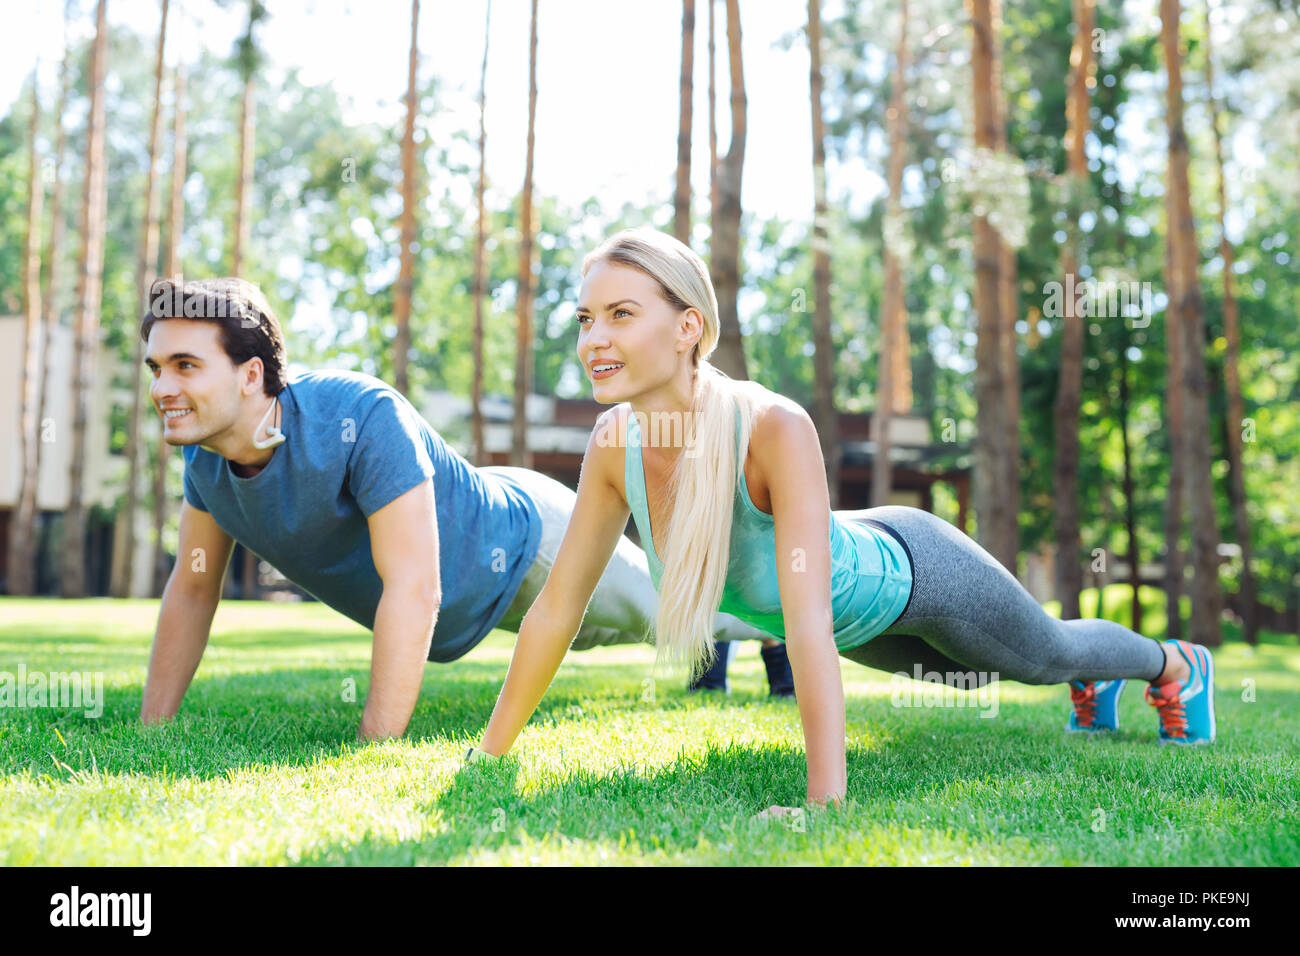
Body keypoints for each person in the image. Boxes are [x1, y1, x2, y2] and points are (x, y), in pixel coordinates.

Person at [469, 228, 1217, 815]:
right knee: (969, 680)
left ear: (687, 326)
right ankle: (1096, 675)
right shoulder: (613, 446)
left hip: (918, 574)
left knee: (1040, 658)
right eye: (586, 318)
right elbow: (556, 612)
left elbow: (807, 627)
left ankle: (1174, 664)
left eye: (621, 315)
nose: (594, 340)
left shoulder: (771, 426)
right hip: (865, 627)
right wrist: (489, 758)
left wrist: (822, 804)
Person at [137, 277, 769, 742]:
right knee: (639, 631)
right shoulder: (205, 461)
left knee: (675, 611)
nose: (163, 388)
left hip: (531, 545)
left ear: (251, 375)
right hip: (480, 582)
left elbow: (415, 588)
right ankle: (710, 656)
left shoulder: (358, 414)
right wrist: (152, 731)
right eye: (156, 368)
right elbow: (193, 589)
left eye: (185, 365)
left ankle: (772, 636)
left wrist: (374, 747)